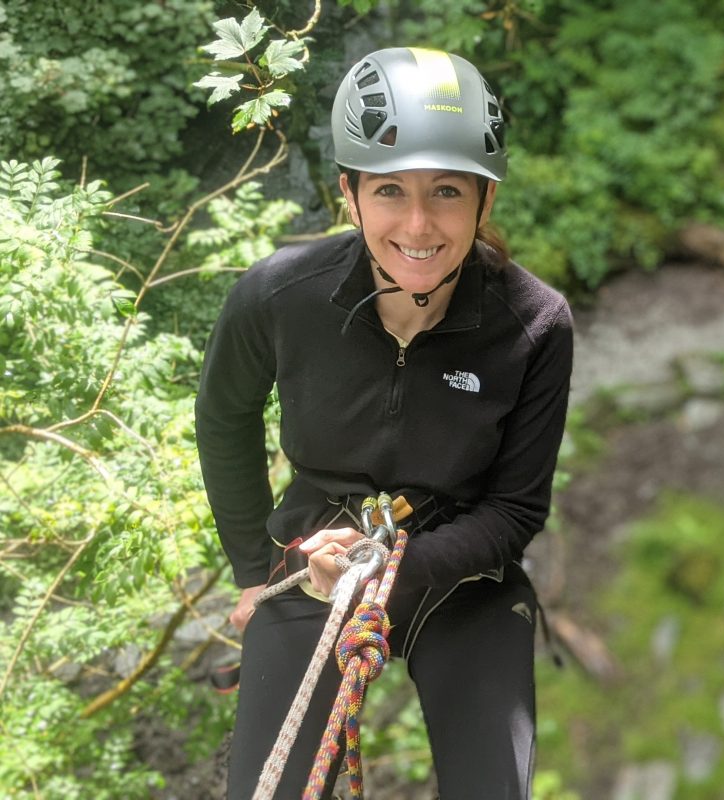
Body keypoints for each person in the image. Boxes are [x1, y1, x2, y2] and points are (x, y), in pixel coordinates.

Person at [195, 46, 573, 800]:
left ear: (484, 201)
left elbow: (515, 510)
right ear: (351, 192)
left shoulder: (533, 325)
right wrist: (248, 569)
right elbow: (223, 418)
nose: (419, 224)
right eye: (391, 191)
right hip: (315, 558)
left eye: (447, 192)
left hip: (464, 575)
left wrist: (398, 570)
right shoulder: (279, 297)